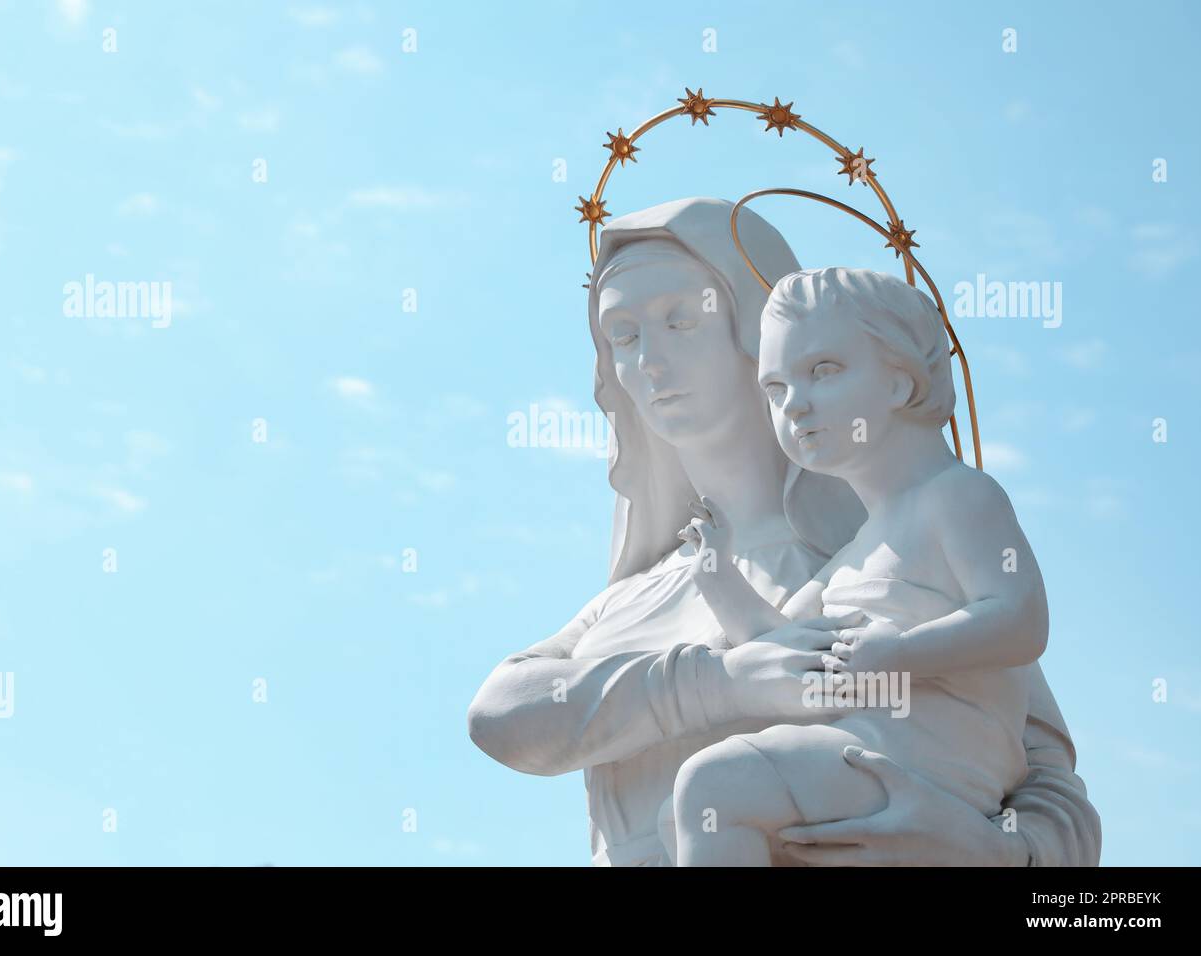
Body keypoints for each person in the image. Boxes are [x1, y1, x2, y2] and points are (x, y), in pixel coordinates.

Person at [466, 197, 1101, 867]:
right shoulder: (629, 599)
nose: (650, 358)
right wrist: (719, 683)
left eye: (681, 321)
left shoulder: (897, 555)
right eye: (622, 336)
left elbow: (1045, 783)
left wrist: (997, 850)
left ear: (756, 329)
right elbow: (499, 715)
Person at [673, 267, 1048, 865]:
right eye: (774, 388)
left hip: (934, 765)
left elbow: (1021, 619)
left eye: (822, 370)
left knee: (716, 784)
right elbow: (782, 650)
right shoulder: (855, 554)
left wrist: (900, 655)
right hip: (862, 751)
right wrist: (718, 578)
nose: (794, 405)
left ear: (901, 381)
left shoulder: (958, 496)